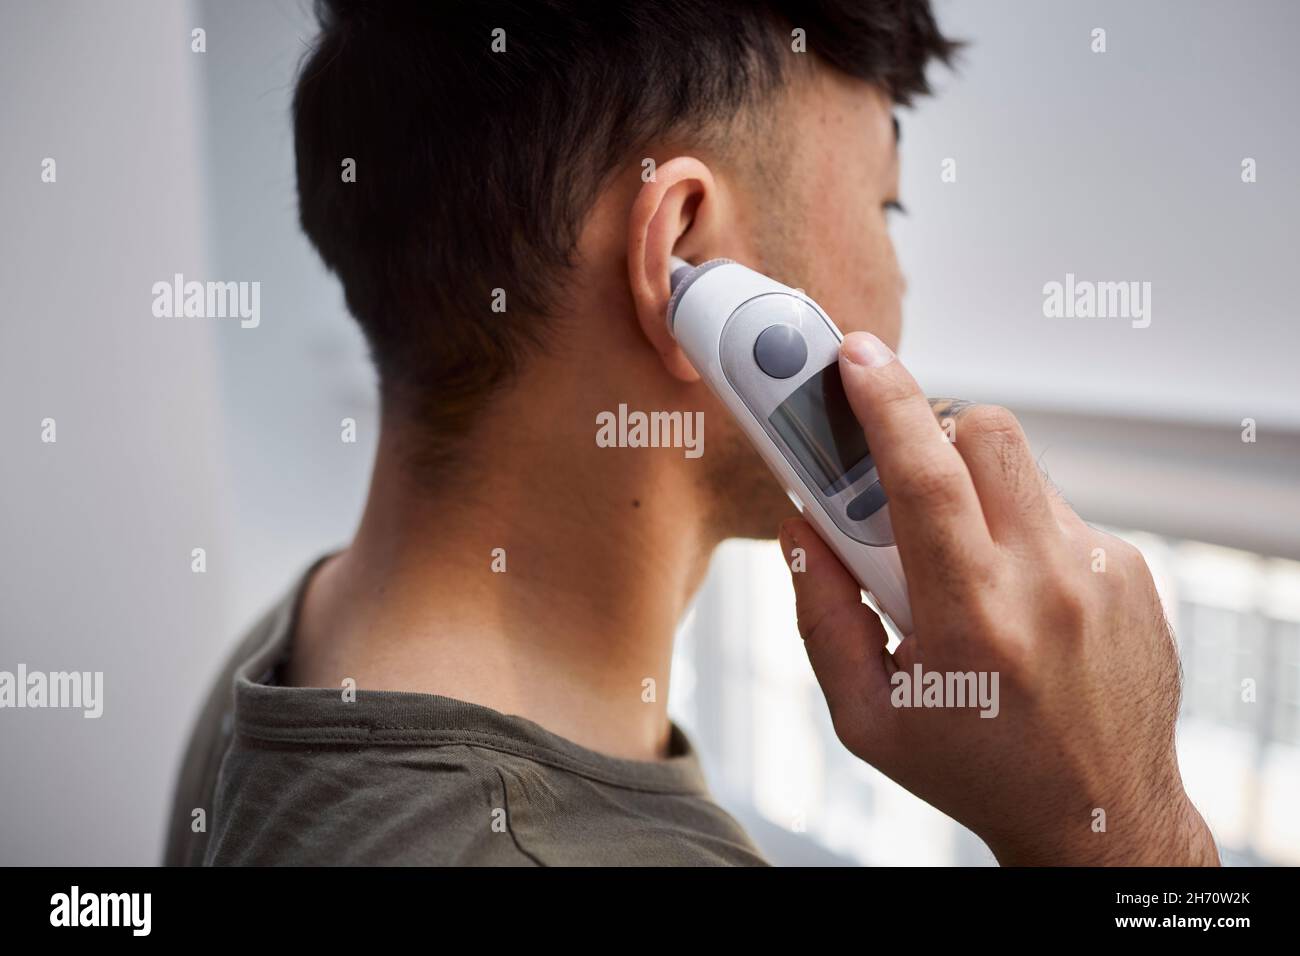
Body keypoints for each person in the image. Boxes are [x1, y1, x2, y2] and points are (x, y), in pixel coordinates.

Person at [165, 0, 1217, 866]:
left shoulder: (283, 667)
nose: (900, 290)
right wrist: (1124, 826)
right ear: (683, 253)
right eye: (886, 214)